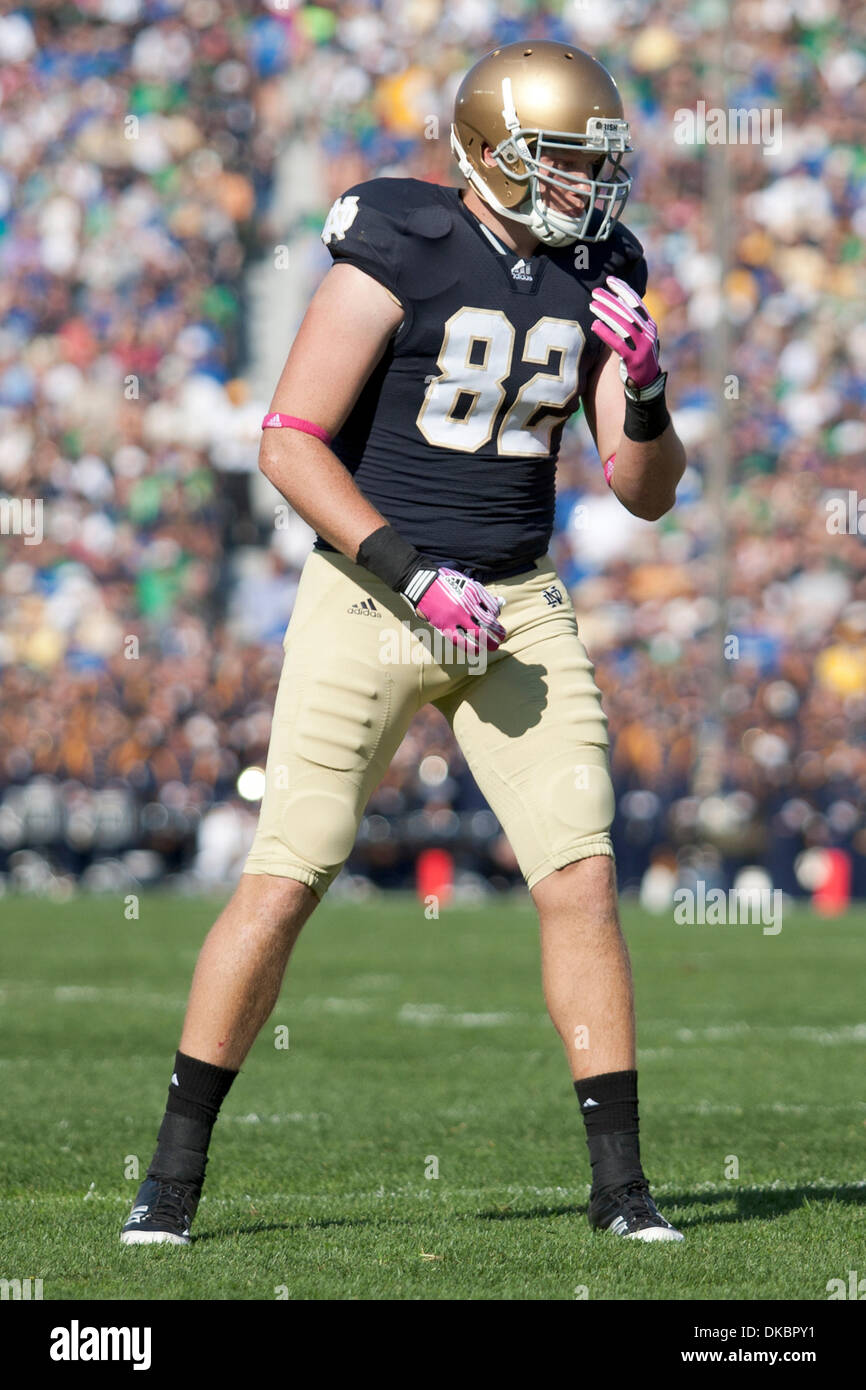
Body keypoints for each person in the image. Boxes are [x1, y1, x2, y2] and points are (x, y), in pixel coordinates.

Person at [122, 40, 687, 1247]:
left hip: (517, 598)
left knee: (580, 874)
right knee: (288, 873)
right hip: (375, 591)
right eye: (565, 159)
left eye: (598, 159)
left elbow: (644, 493)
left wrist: (641, 391)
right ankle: (168, 1184)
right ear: (489, 156)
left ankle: (622, 1193)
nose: (590, 184)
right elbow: (288, 438)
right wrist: (409, 573)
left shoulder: (604, 264)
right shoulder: (403, 238)